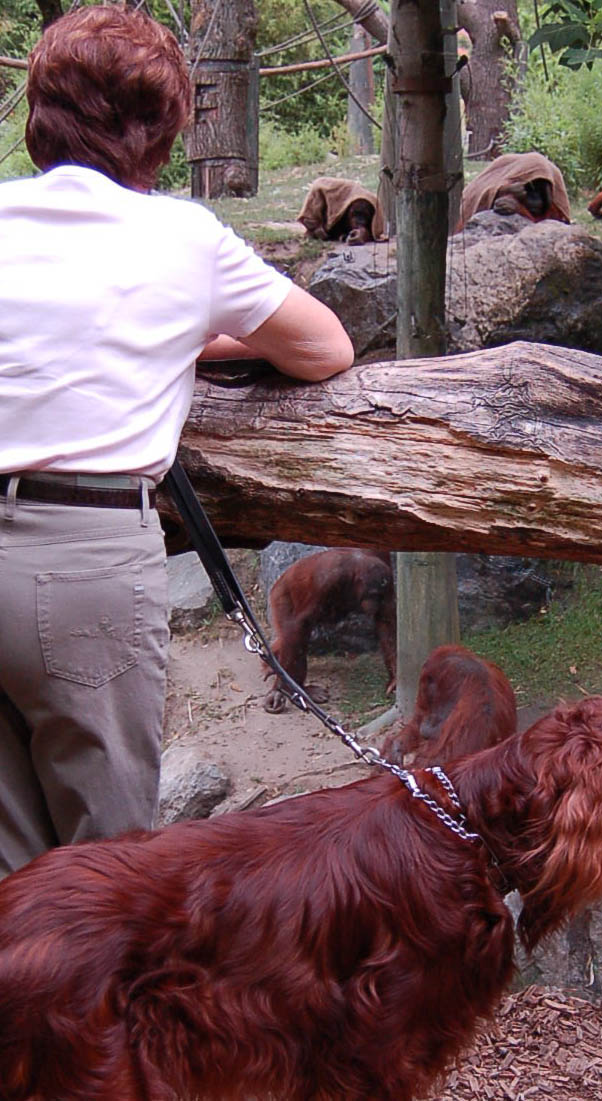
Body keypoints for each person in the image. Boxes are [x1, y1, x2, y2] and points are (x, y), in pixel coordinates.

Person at [0, 5, 354, 877]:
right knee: (108, 873)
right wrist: (181, 334)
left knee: (10, 866)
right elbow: (323, 348)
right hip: (81, 569)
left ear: (38, 113)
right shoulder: (183, 237)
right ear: (161, 128)